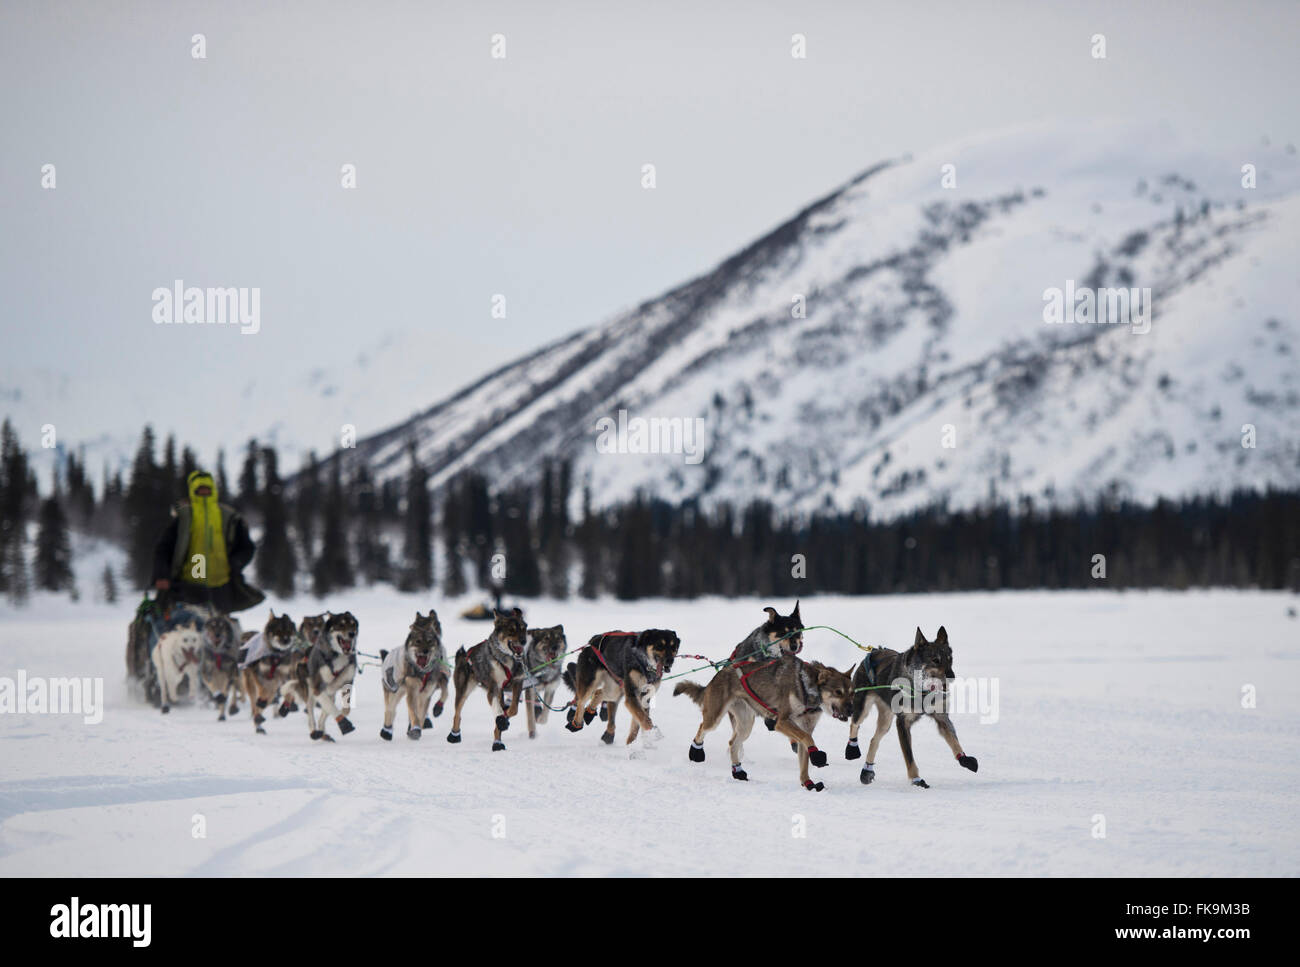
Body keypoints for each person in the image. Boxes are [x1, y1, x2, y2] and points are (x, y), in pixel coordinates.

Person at [151, 469, 265, 613]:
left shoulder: (229, 517)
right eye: (200, 490)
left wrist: (235, 563)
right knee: (192, 624)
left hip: (222, 582)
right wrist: (162, 574)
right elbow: (164, 548)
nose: (204, 492)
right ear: (193, 491)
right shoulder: (184, 517)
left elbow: (247, 547)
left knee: (220, 627)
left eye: (207, 489)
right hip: (190, 582)